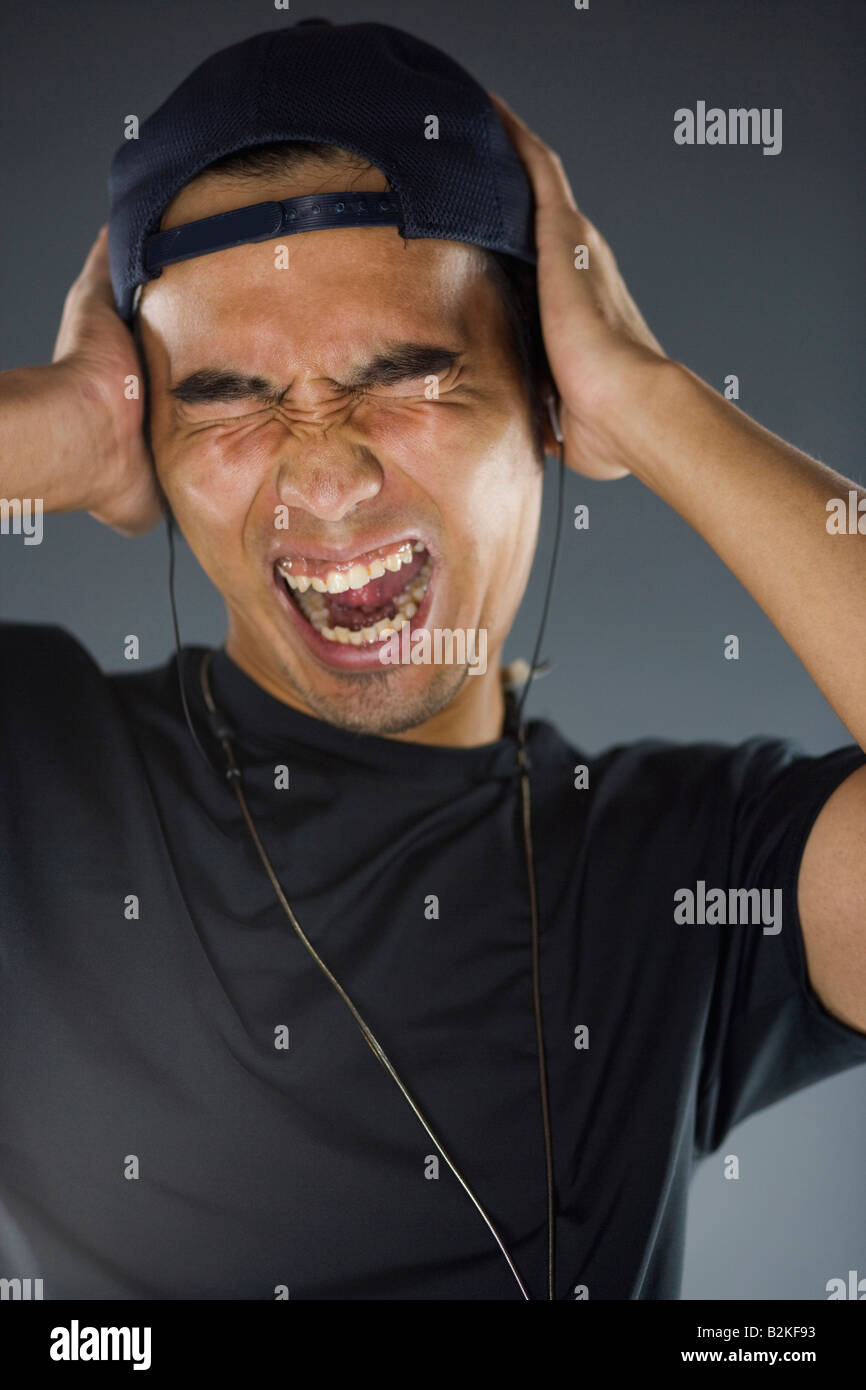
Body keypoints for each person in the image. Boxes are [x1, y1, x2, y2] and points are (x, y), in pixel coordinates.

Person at [1, 19, 864, 1302]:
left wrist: (647, 394)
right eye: (228, 397)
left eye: (406, 380)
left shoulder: (694, 872)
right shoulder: (35, 769)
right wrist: (50, 429)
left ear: (546, 399)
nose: (325, 468)